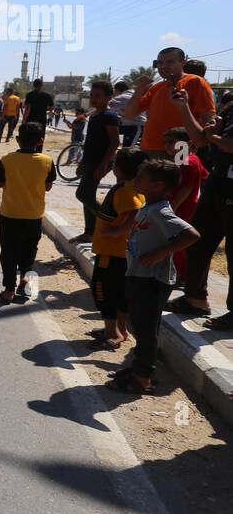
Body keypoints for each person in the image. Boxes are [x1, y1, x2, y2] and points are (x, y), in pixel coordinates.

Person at [107, 159, 199, 395]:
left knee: (146, 329)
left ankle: (143, 378)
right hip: (139, 275)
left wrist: (161, 253)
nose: (135, 180)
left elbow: (191, 234)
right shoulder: (148, 206)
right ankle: (141, 368)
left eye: (140, 178)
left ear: (158, 185)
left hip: (152, 281)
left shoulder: (161, 211)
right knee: (139, 325)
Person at [169, 86, 233, 324]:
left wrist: (213, 136)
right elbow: (198, 138)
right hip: (218, 182)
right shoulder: (229, 110)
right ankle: (195, 298)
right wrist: (183, 106)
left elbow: (224, 143)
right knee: (197, 240)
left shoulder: (186, 158)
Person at [90, 149, 146, 350]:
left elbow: (134, 213)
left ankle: (112, 332)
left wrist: (117, 231)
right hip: (123, 252)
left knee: (102, 291)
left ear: (116, 168)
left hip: (110, 251)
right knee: (121, 293)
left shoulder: (123, 190)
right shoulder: (135, 188)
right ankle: (120, 329)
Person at [0, 122, 55, 303]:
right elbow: (48, 186)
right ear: (41, 140)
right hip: (34, 216)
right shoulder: (47, 161)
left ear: (18, 139)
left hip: (9, 215)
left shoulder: (6, 159)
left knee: (8, 252)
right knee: (29, 253)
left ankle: (9, 290)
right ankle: (25, 284)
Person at [118, 46, 216, 157]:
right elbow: (129, 114)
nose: (164, 66)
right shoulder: (157, 87)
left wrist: (196, 143)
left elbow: (208, 118)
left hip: (180, 148)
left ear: (183, 63)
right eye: (160, 63)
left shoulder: (195, 81)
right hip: (149, 147)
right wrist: (139, 89)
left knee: (180, 174)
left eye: (170, 62)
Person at [69, 81, 120, 243]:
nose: (93, 98)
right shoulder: (95, 114)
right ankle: (89, 232)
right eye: (92, 95)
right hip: (90, 160)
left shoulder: (109, 115)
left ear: (108, 97)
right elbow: (90, 142)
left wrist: (104, 163)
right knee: (87, 196)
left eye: (98, 96)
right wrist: (83, 162)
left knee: (83, 194)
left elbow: (114, 142)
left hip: (101, 162)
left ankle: (112, 222)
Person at [163, 125, 207, 281]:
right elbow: (204, 175)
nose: (167, 145)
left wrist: (173, 206)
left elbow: (186, 188)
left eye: (171, 142)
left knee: (178, 242)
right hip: (187, 206)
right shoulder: (191, 159)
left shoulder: (187, 162)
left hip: (184, 207)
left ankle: (181, 274)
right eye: (166, 142)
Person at [109, 80, 143, 147]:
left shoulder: (122, 97)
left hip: (135, 127)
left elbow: (105, 105)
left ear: (116, 90)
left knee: (128, 150)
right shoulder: (133, 95)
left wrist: (85, 115)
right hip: (130, 125)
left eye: (114, 91)